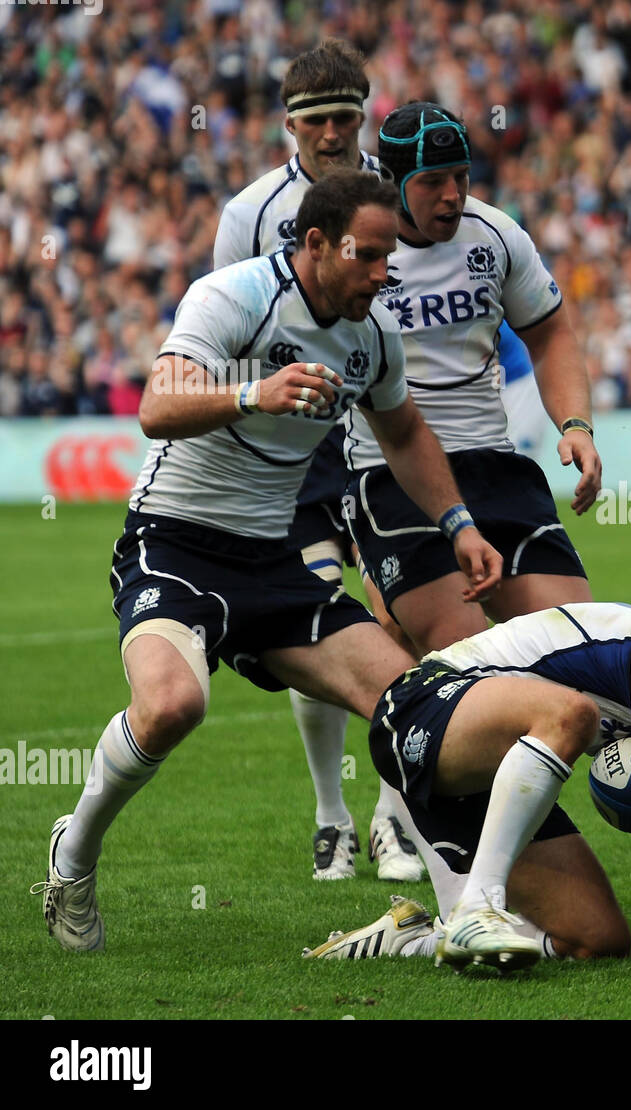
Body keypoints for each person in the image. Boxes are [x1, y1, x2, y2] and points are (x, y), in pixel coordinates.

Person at [32, 171, 502, 953]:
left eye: (392, 257)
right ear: (316, 244)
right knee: (173, 706)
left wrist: (457, 522)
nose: (385, 274)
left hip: (275, 558)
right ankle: (73, 857)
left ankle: (466, 915)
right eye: (371, 255)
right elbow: (156, 407)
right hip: (175, 542)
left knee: (410, 706)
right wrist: (255, 393)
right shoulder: (234, 295)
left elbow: (407, 434)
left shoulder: (372, 337)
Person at [303, 582, 631, 971]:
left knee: (599, 939)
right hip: (421, 705)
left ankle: (416, 938)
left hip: (491, 767)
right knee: (572, 715)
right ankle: (478, 905)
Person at [212, 39, 424, 883]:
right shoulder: (249, 212)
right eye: (316, 121)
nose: (333, 134)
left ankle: (394, 815)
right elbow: (219, 333)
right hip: (296, 452)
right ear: (289, 126)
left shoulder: (397, 198)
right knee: (320, 614)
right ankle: (332, 815)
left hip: (382, 438)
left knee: (402, 618)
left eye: (346, 116)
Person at [344, 102, 602, 661]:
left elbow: (552, 334)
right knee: (469, 662)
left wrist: (577, 425)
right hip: (391, 478)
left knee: (580, 649)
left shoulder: (496, 236)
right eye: (432, 182)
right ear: (391, 183)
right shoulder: (354, 250)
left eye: (461, 177)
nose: (452, 195)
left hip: (491, 465)